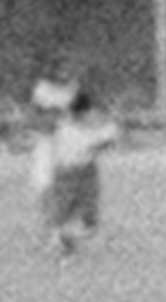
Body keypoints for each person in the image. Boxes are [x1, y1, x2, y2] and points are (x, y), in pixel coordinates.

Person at [28, 81, 116, 255]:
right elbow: (101, 140)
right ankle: (60, 238)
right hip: (71, 174)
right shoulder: (69, 130)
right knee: (64, 214)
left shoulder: (69, 127)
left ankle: (62, 238)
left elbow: (103, 139)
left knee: (79, 217)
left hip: (80, 173)